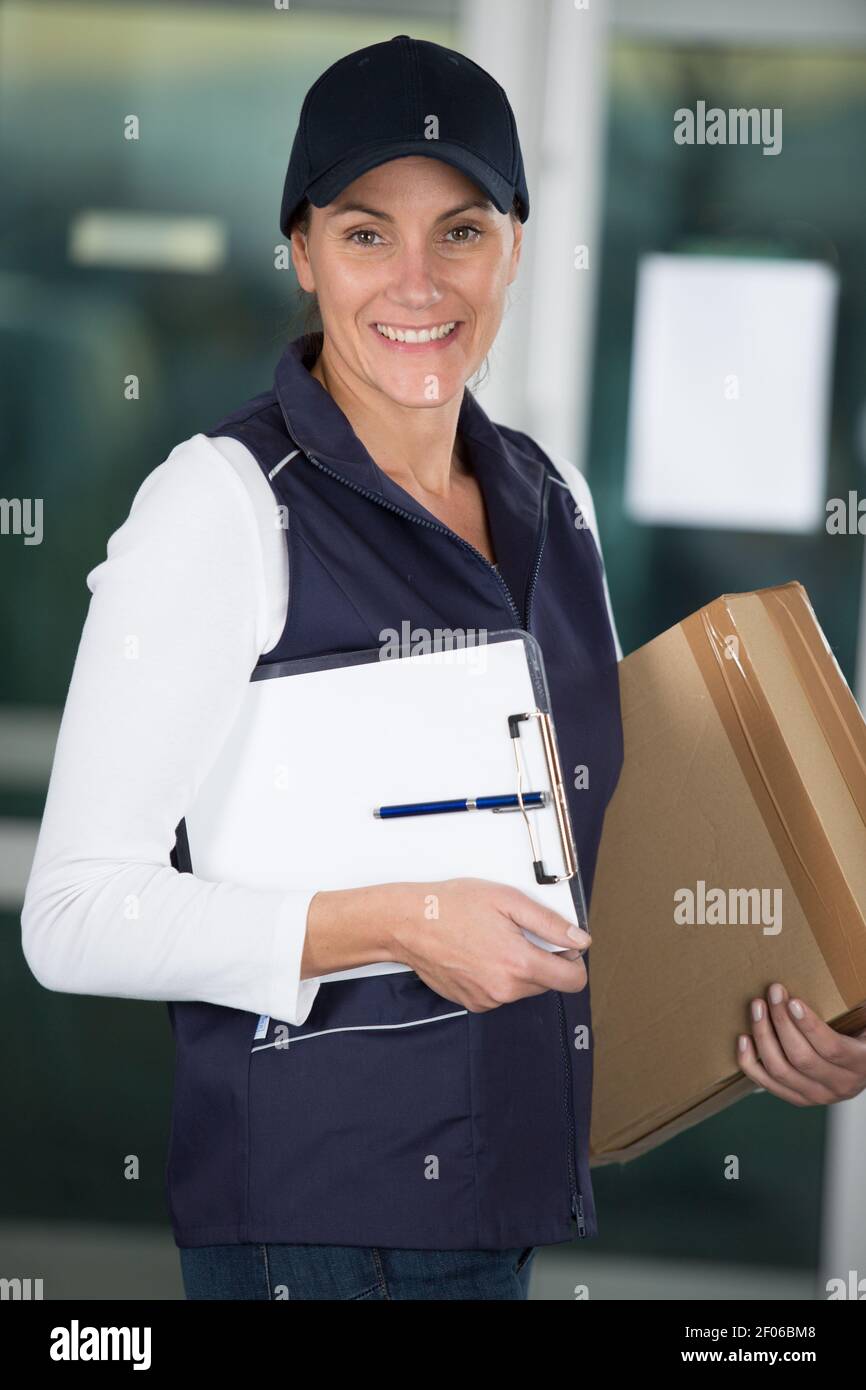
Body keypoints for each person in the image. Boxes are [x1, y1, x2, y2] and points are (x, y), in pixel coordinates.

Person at [22, 34, 863, 1304]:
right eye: (366, 234)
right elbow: (72, 913)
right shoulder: (223, 503)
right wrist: (401, 921)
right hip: (310, 1231)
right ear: (300, 251)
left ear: (516, 244)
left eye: (459, 231)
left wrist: (769, 1013)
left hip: (502, 1206)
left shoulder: (552, 502)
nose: (416, 280)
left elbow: (561, 870)